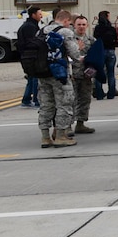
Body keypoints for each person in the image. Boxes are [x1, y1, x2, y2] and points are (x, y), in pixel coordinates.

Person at [35, 9, 83, 147]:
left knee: (46, 105)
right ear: (66, 20)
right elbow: (74, 54)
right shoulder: (65, 32)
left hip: (43, 73)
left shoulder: (40, 31)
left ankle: (45, 137)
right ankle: (61, 136)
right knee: (64, 104)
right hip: (59, 74)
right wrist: (79, 49)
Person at [70, 14, 97, 135]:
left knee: (85, 100)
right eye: (79, 24)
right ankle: (67, 126)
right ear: (74, 25)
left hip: (86, 76)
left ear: (87, 26)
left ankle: (80, 123)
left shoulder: (91, 40)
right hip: (72, 75)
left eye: (83, 24)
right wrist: (77, 49)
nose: (81, 27)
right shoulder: (69, 39)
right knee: (71, 101)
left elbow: (97, 58)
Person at [17, 6, 43, 110]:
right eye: (39, 14)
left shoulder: (28, 25)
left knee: (31, 77)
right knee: (36, 77)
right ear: (33, 15)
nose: (41, 16)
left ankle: (26, 99)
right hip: (31, 56)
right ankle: (36, 100)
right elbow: (32, 42)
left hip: (26, 56)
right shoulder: (30, 27)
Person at [92, 10, 118, 99]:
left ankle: (99, 94)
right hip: (111, 50)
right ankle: (111, 93)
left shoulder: (97, 28)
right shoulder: (111, 28)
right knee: (111, 73)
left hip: (100, 50)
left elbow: (95, 38)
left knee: (99, 72)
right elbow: (116, 38)